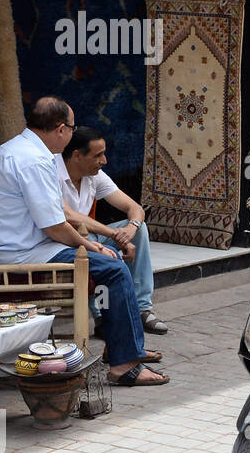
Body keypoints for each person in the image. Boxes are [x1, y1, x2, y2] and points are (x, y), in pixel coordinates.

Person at [0, 97, 167, 386]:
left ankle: (124, 348)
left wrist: (95, 244)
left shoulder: (18, 149)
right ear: (61, 129)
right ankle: (125, 364)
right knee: (114, 269)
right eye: (72, 128)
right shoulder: (33, 160)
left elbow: (58, 221)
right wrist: (91, 245)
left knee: (110, 259)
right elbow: (55, 226)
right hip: (19, 256)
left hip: (26, 248)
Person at [57, 126, 168, 335]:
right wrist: (114, 235)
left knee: (140, 228)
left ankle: (142, 308)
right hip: (64, 241)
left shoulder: (94, 175)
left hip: (88, 236)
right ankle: (101, 317)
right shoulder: (52, 172)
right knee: (103, 251)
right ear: (76, 156)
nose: (104, 160)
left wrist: (130, 229)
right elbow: (68, 215)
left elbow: (134, 208)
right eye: (98, 155)